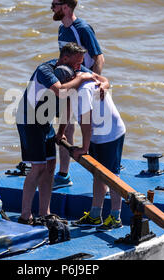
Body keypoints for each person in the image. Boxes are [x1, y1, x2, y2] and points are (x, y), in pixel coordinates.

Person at [16, 43, 109, 225]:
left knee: (51, 165)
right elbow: (61, 91)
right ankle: (25, 215)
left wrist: (103, 85)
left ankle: (45, 212)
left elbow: (101, 78)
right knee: (38, 167)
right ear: (65, 59)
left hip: (45, 121)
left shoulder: (74, 67)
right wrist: (82, 79)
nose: (79, 68)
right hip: (29, 120)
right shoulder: (45, 70)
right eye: (77, 64)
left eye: (81, 64)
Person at [54, 65, 126, 231]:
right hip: (98, 134)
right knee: (98, 174)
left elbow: (86, 123)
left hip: (111, 133)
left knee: (111, 176)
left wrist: (84, 149)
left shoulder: (84, 90)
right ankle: (95, 215)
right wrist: (60, 133)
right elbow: (67, 111)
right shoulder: (74, 85)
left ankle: (116, 217)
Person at [51, 0, 105, 189]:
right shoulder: (61, 29)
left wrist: (95, 83)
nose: (52, 8)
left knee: (94, 128)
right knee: (66, 126)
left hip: (86, 85)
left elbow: (99, 57)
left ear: (66, 7)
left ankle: (103, 180)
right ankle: (64, 174)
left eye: (55, 5)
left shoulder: (81, 28)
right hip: (71, 83)